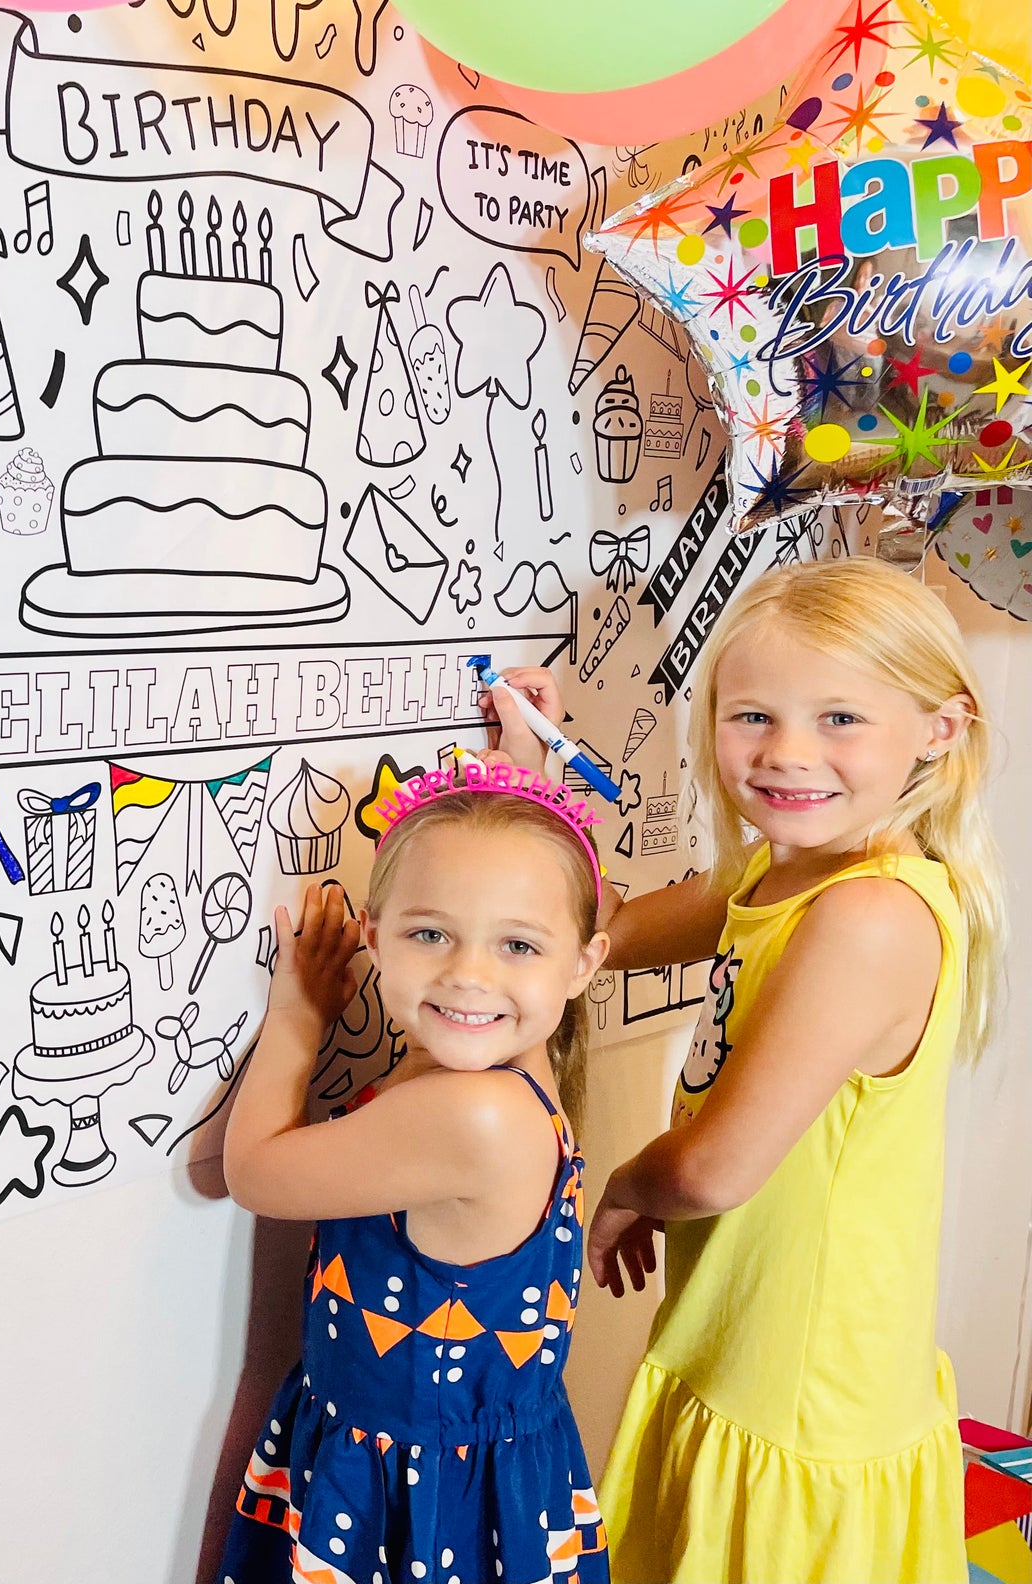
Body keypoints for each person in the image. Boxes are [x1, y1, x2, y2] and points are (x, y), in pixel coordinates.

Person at [484, 557, 1003, 1581]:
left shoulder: (868, 915)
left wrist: (621, 1188)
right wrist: (526, 777)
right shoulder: (777, 871)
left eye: (839, 719)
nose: (786, 754)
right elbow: (604, 929)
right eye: (752, 716)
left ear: (938, 731)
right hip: (749, 1347)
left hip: (799, 1391)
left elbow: (713, 1170)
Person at [218, 768, 613, 1584]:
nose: (468, 974)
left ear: (582, 964)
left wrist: (297, 1013)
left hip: (419, 1503)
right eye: (430, 934)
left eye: (517, 946)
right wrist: (520, 766)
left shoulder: (475, 1114)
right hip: (434, 1472)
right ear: (374, 933)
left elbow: (253, 1172)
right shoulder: (505, 1071)